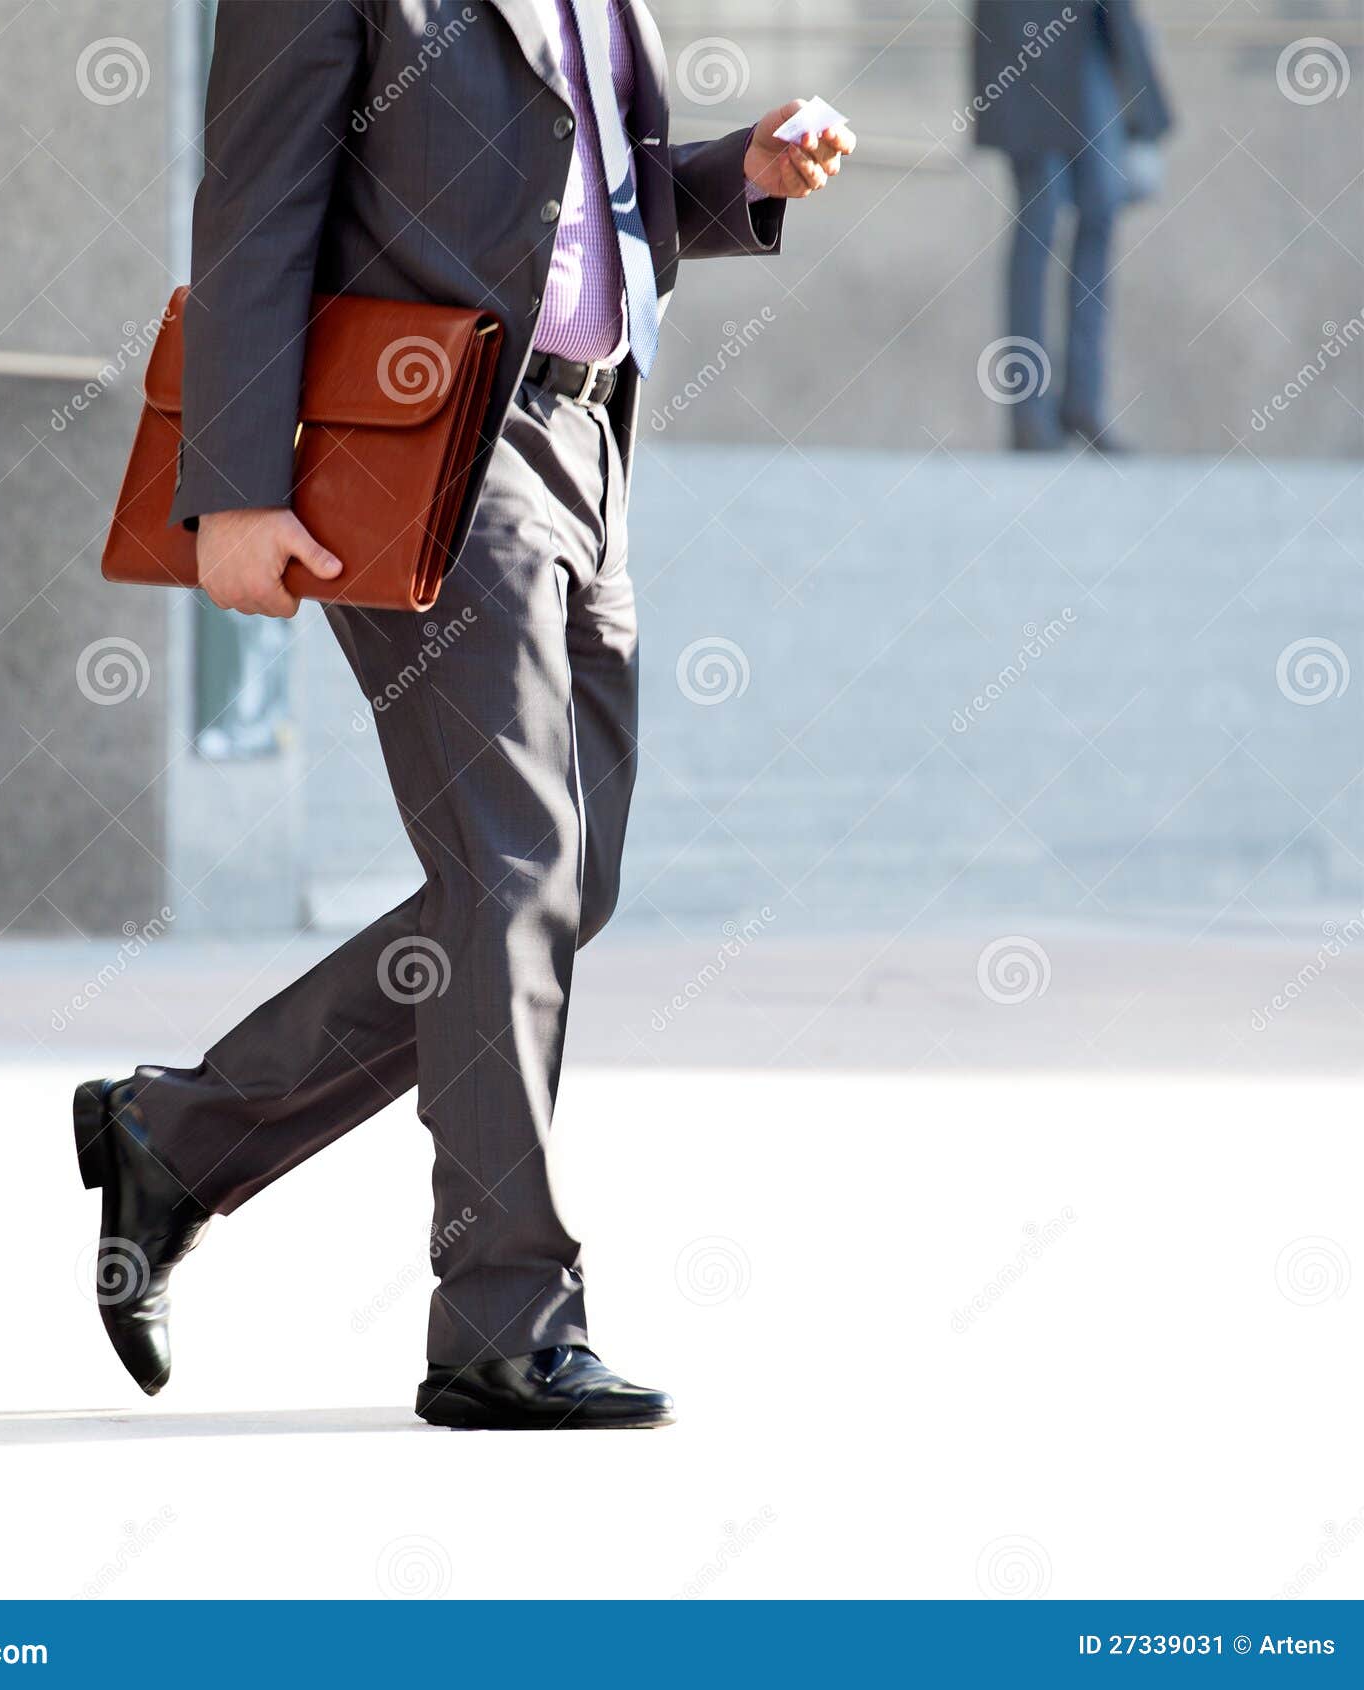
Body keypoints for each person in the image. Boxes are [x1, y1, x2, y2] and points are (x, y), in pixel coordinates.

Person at [74, 0, 854, 1431]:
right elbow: (256, 204)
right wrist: (235, 488)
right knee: (511, 868)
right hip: (432, 442)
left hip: (592, 442)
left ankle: (177, 1134)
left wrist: (731, 173)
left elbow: (579, 199)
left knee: (566, 880)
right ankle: (505, 1320)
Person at [971, 0, 1172, 451]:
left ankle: (1084, 401)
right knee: (1038, 222)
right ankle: (1029, 409)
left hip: (1092, 42)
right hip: (1025, 44)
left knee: (1101, 209)